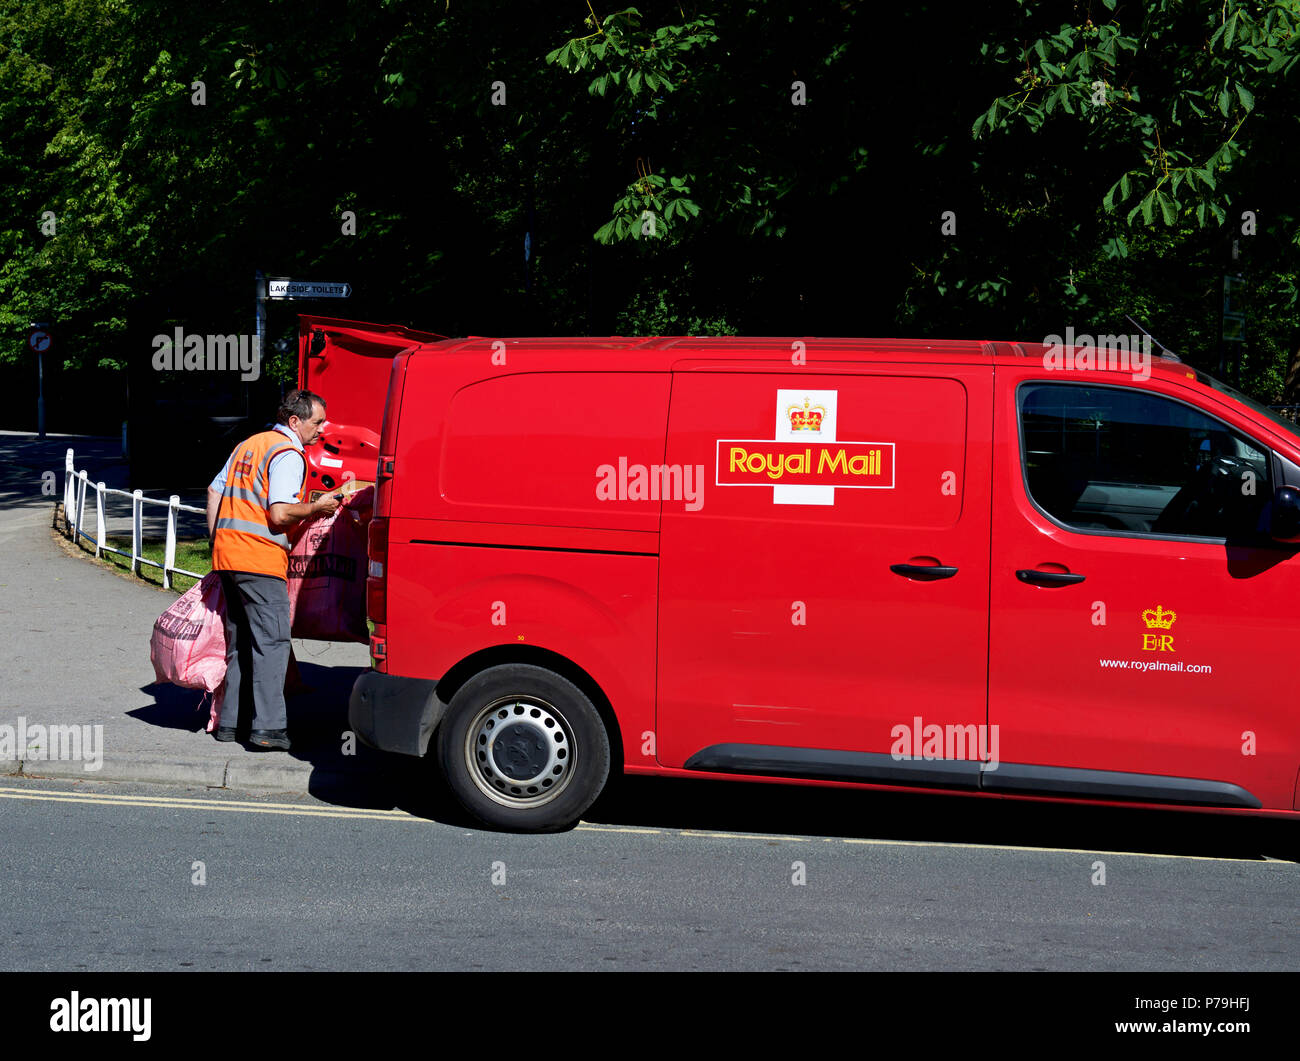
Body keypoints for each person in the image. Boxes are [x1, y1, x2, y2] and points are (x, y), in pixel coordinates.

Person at [205, 390, 340, 750]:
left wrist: (216, 540)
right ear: (294, 422)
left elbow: (214, 492)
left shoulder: (250, 444)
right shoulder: (287, 453)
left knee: (240, 643)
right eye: (317, 422)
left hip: (229, 557)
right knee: (272, 644)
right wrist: (317, 507)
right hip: (260, 560)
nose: (322, 430)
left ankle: (230, 725)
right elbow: (279, 513)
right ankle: (268, 730)